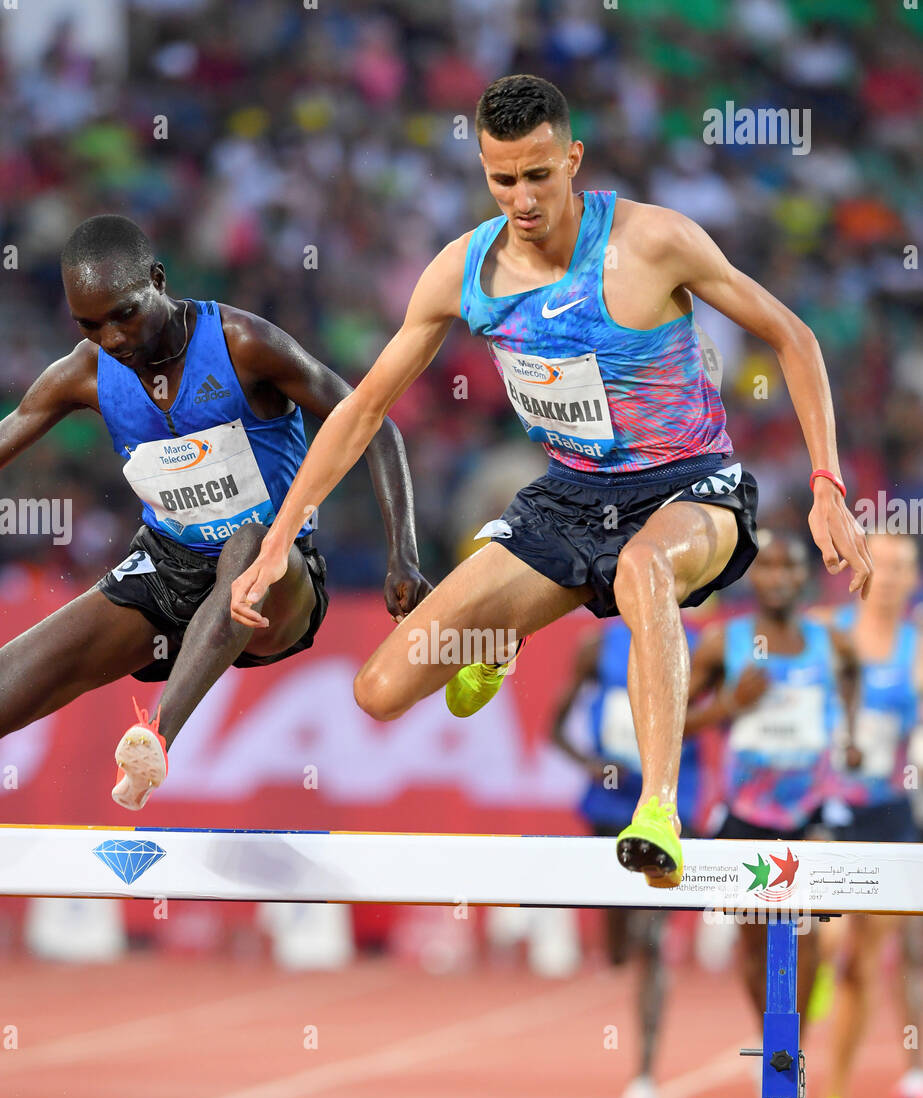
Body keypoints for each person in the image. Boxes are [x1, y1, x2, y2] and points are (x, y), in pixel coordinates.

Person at [230, 74, 873, 887]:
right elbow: (360, 412)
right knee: (381, 690)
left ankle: (658, 812)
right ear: (483, 170)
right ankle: (497, 644)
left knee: (644, 569)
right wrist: (279, 540)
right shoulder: (463, 273)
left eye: (539, 175)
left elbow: (794, 337)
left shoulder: (652, 242)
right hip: (568, 501)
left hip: (689, 487)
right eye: (503, 179)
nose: (523, 198)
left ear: (573, 159)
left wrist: (825, 483)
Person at [0, 215, 427, 810]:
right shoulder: (85, 372)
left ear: (157, 279)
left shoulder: (242, 343)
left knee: (248, 545)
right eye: (90, 324)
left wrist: (402, 555)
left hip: (278, 576)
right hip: (166, 570)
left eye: (125, 312)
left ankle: (153, 741)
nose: (114, 338)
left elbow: (373, 426)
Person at [683, 532, 860, 1032]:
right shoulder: (725, 643)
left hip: (812, 809)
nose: (779, 578)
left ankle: (791, 1049)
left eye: (791, 568)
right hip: (746, 812)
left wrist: (847, 736)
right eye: (768, 567)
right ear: (750, 575)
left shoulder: (832, 641)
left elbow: (852, 681)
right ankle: (774, 1043)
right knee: (754, 942)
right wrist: (728, 705)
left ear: (806, 576)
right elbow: (672, 723)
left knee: (807, 934)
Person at [551, 616, 704, 1098]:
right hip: (609, 805)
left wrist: (717, 709)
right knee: (619, 946)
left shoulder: (703, 647)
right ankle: (619, 952)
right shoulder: (599, 645)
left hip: (670, 810)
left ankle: (643, 1074)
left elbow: (712, 718)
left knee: (650, 937)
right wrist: (591, 763)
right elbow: (554, 728)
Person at [816, 531, 923, 1098]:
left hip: (887, 814)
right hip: (827, 808)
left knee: (865, 962)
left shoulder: (915, 647)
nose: (899, 578)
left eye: (908, 568)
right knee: (827, 944)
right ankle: (809, 1001)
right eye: (888, 565)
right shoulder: (826, 632)